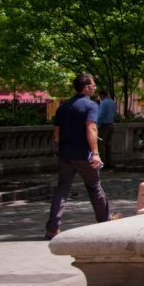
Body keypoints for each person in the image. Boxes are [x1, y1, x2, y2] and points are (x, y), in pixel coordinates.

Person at [45, 73, 111, 238]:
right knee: (94, 187)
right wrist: (95, 153)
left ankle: (52, 227)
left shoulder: (63, 107)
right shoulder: (90, 105)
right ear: (86, 87)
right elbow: (91, 129)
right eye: (93, 86)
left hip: (65, 154)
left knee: (62, 190)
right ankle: (105, 221)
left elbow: (56, 134)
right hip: (83, 154)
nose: (94, 88)